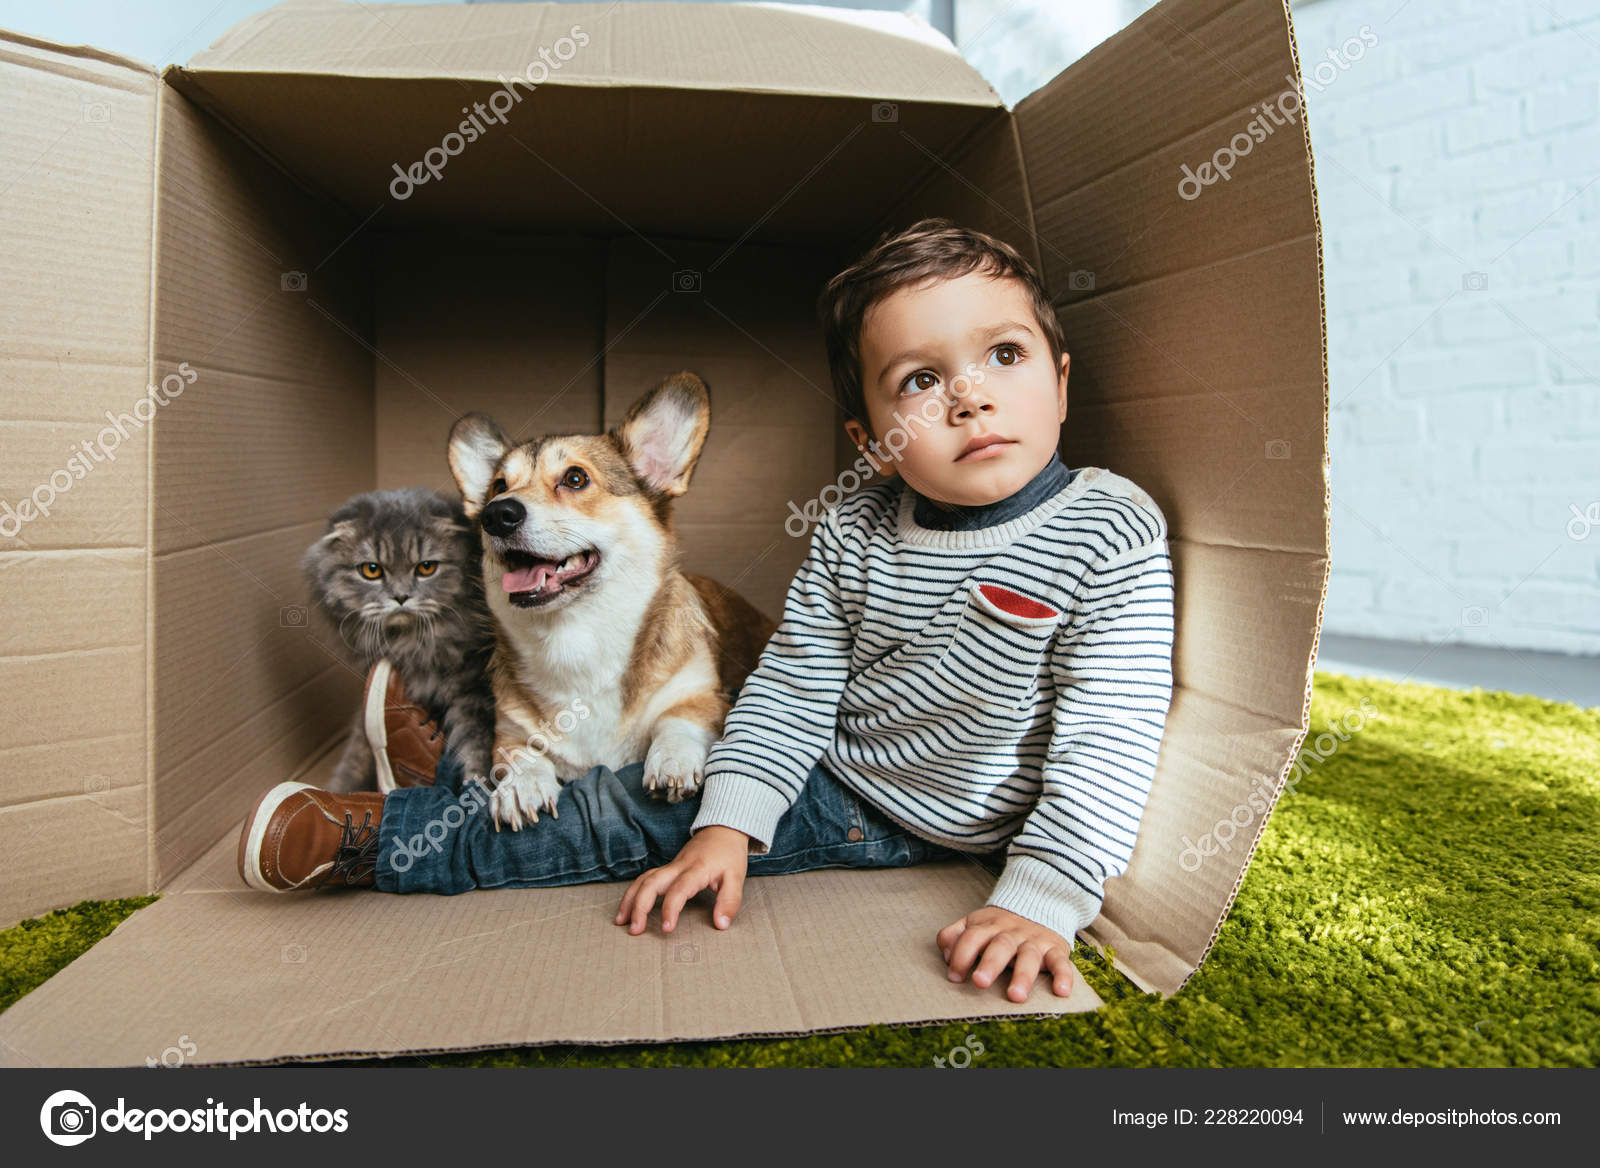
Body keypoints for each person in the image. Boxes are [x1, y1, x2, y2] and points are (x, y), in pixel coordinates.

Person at [237, 217, 1176, 1003]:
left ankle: (378, 843)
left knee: (615, 820)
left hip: (917, 814)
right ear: (871, 441)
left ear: (1061, 380)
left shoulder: (1109, 528)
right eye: (919, 381)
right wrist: (730, 819)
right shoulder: (854, 526)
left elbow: (1111, 732)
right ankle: (445, 772)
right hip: (824, 763)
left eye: (1004, 355)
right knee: (671, 802)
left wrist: (1043, 897)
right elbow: (793, 688)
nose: (968, 396)